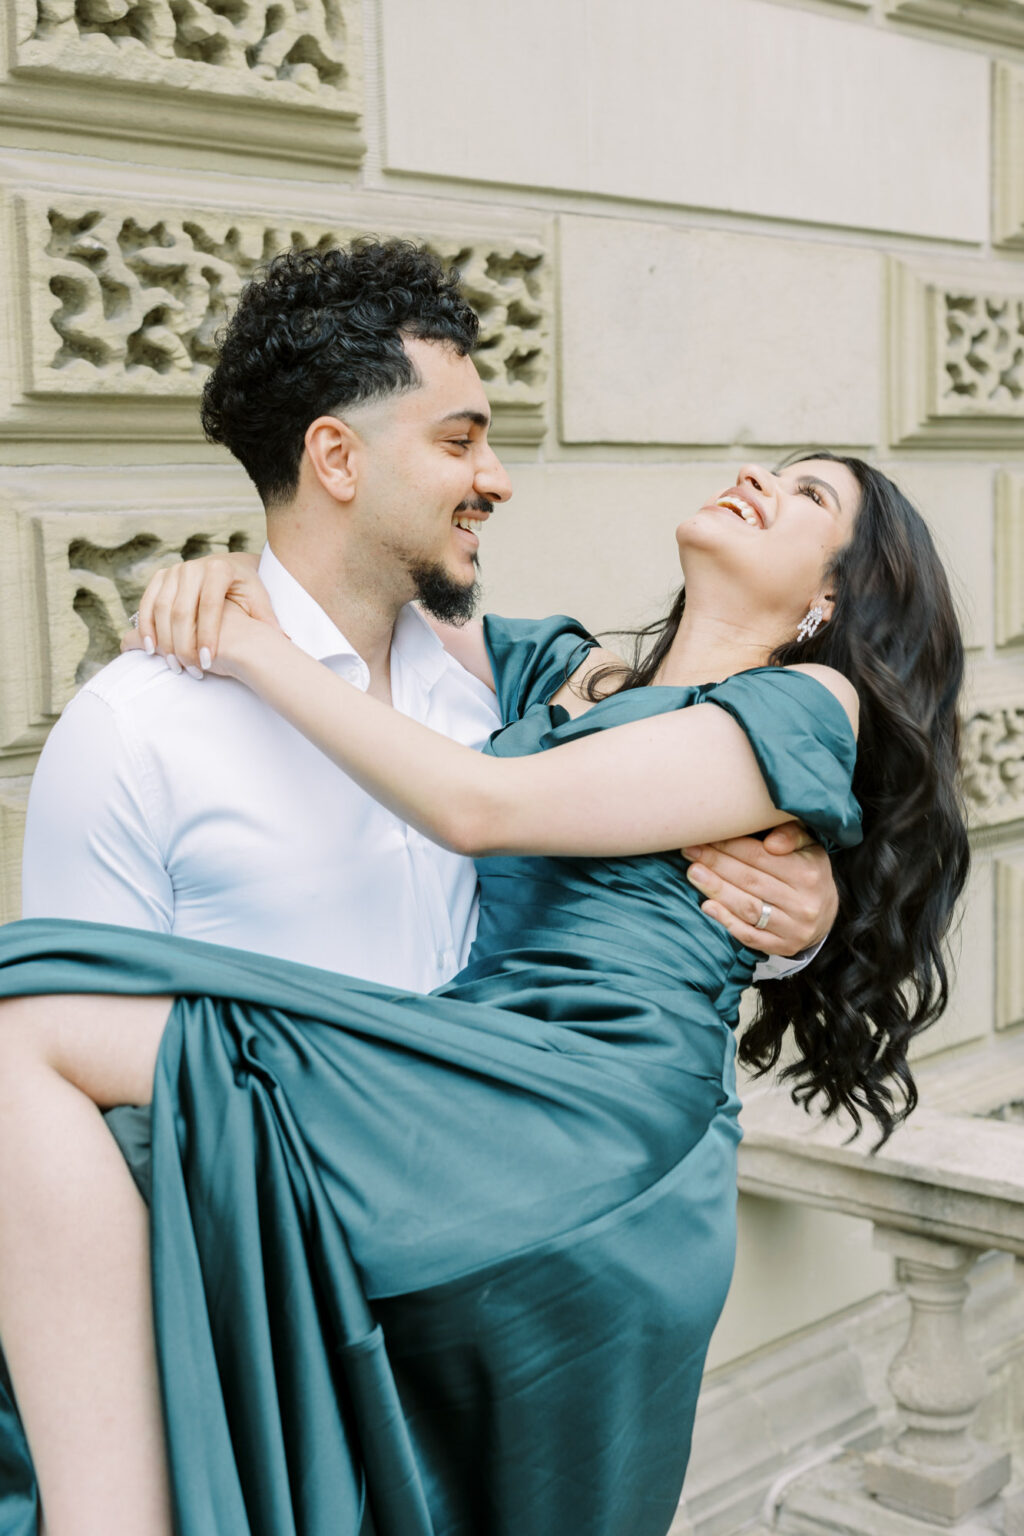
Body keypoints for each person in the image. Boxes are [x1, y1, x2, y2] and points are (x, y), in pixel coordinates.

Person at [0, 415, 968, 1535]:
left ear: (830, 604)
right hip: (490, 1074)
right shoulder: (567, 674)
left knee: (35, 1019)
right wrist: (232, 579)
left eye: (806, 498)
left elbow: (479, 808)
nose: (758, 478)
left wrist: (249, 648)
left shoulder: (808, 705)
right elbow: (361, 584)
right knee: (126, 1159)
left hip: (600, 1116)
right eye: (772, 466)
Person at [19, 241, 838, 1186]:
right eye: (460, 442)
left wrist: (801, 915)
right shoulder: (134, 730)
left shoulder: (513, 698)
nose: (496, 478)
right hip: (286, 1276)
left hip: (525, 1249)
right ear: (335, 458)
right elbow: (91, 1109)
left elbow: (652, 811)